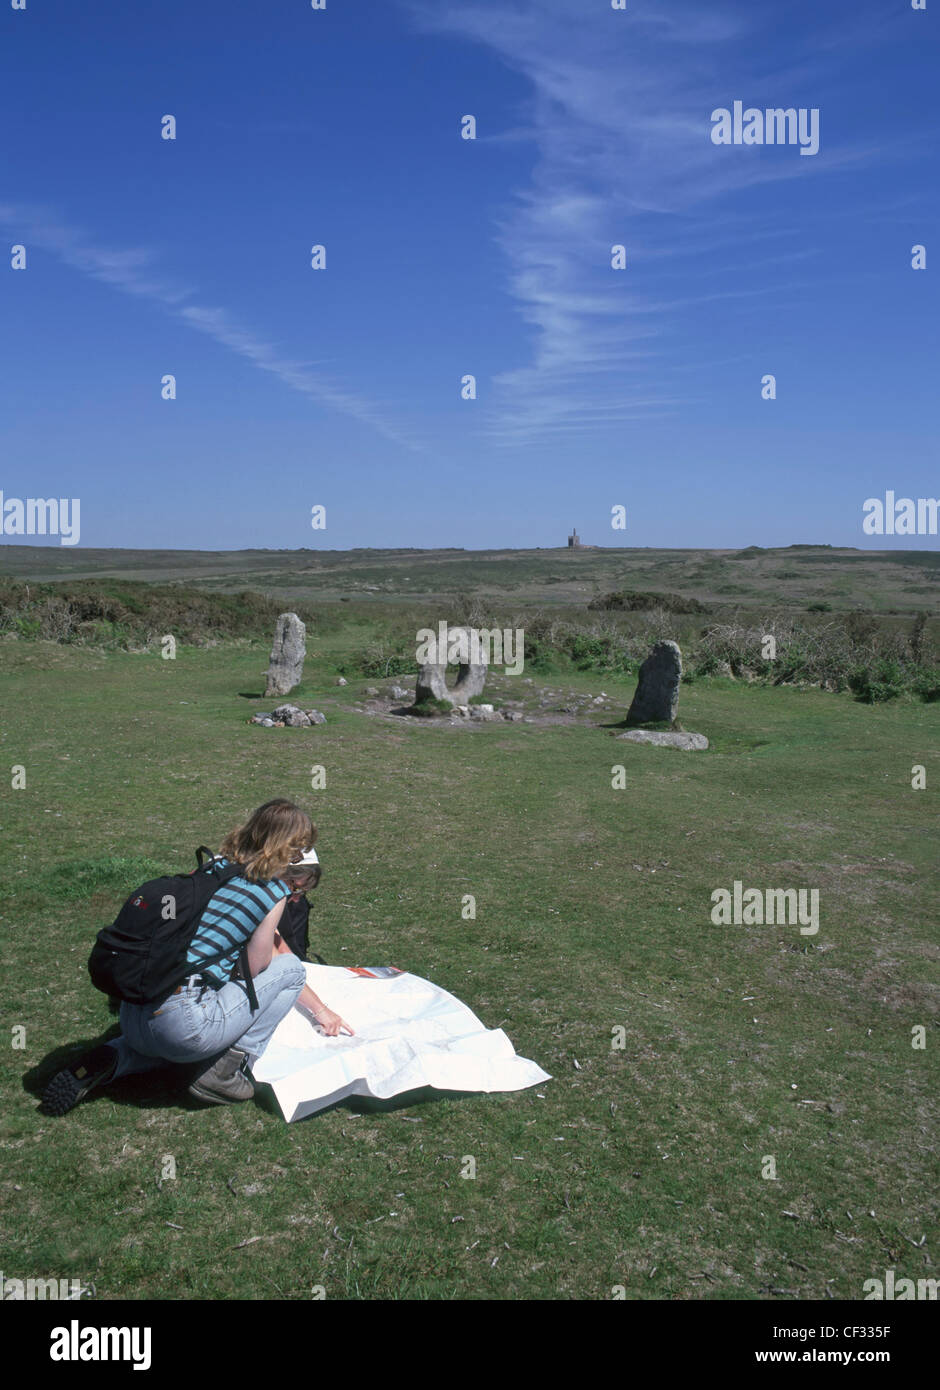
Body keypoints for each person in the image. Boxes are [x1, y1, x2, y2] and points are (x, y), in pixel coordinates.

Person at [41, 800, 354, 1114]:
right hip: (182, 1023)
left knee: (177, 1046)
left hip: (134, 1014)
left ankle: (114, 1057)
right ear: (288, 847)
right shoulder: (273, 893)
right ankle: (224, 1070)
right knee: (291, 970)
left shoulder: (212, 867)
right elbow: (255, 968)